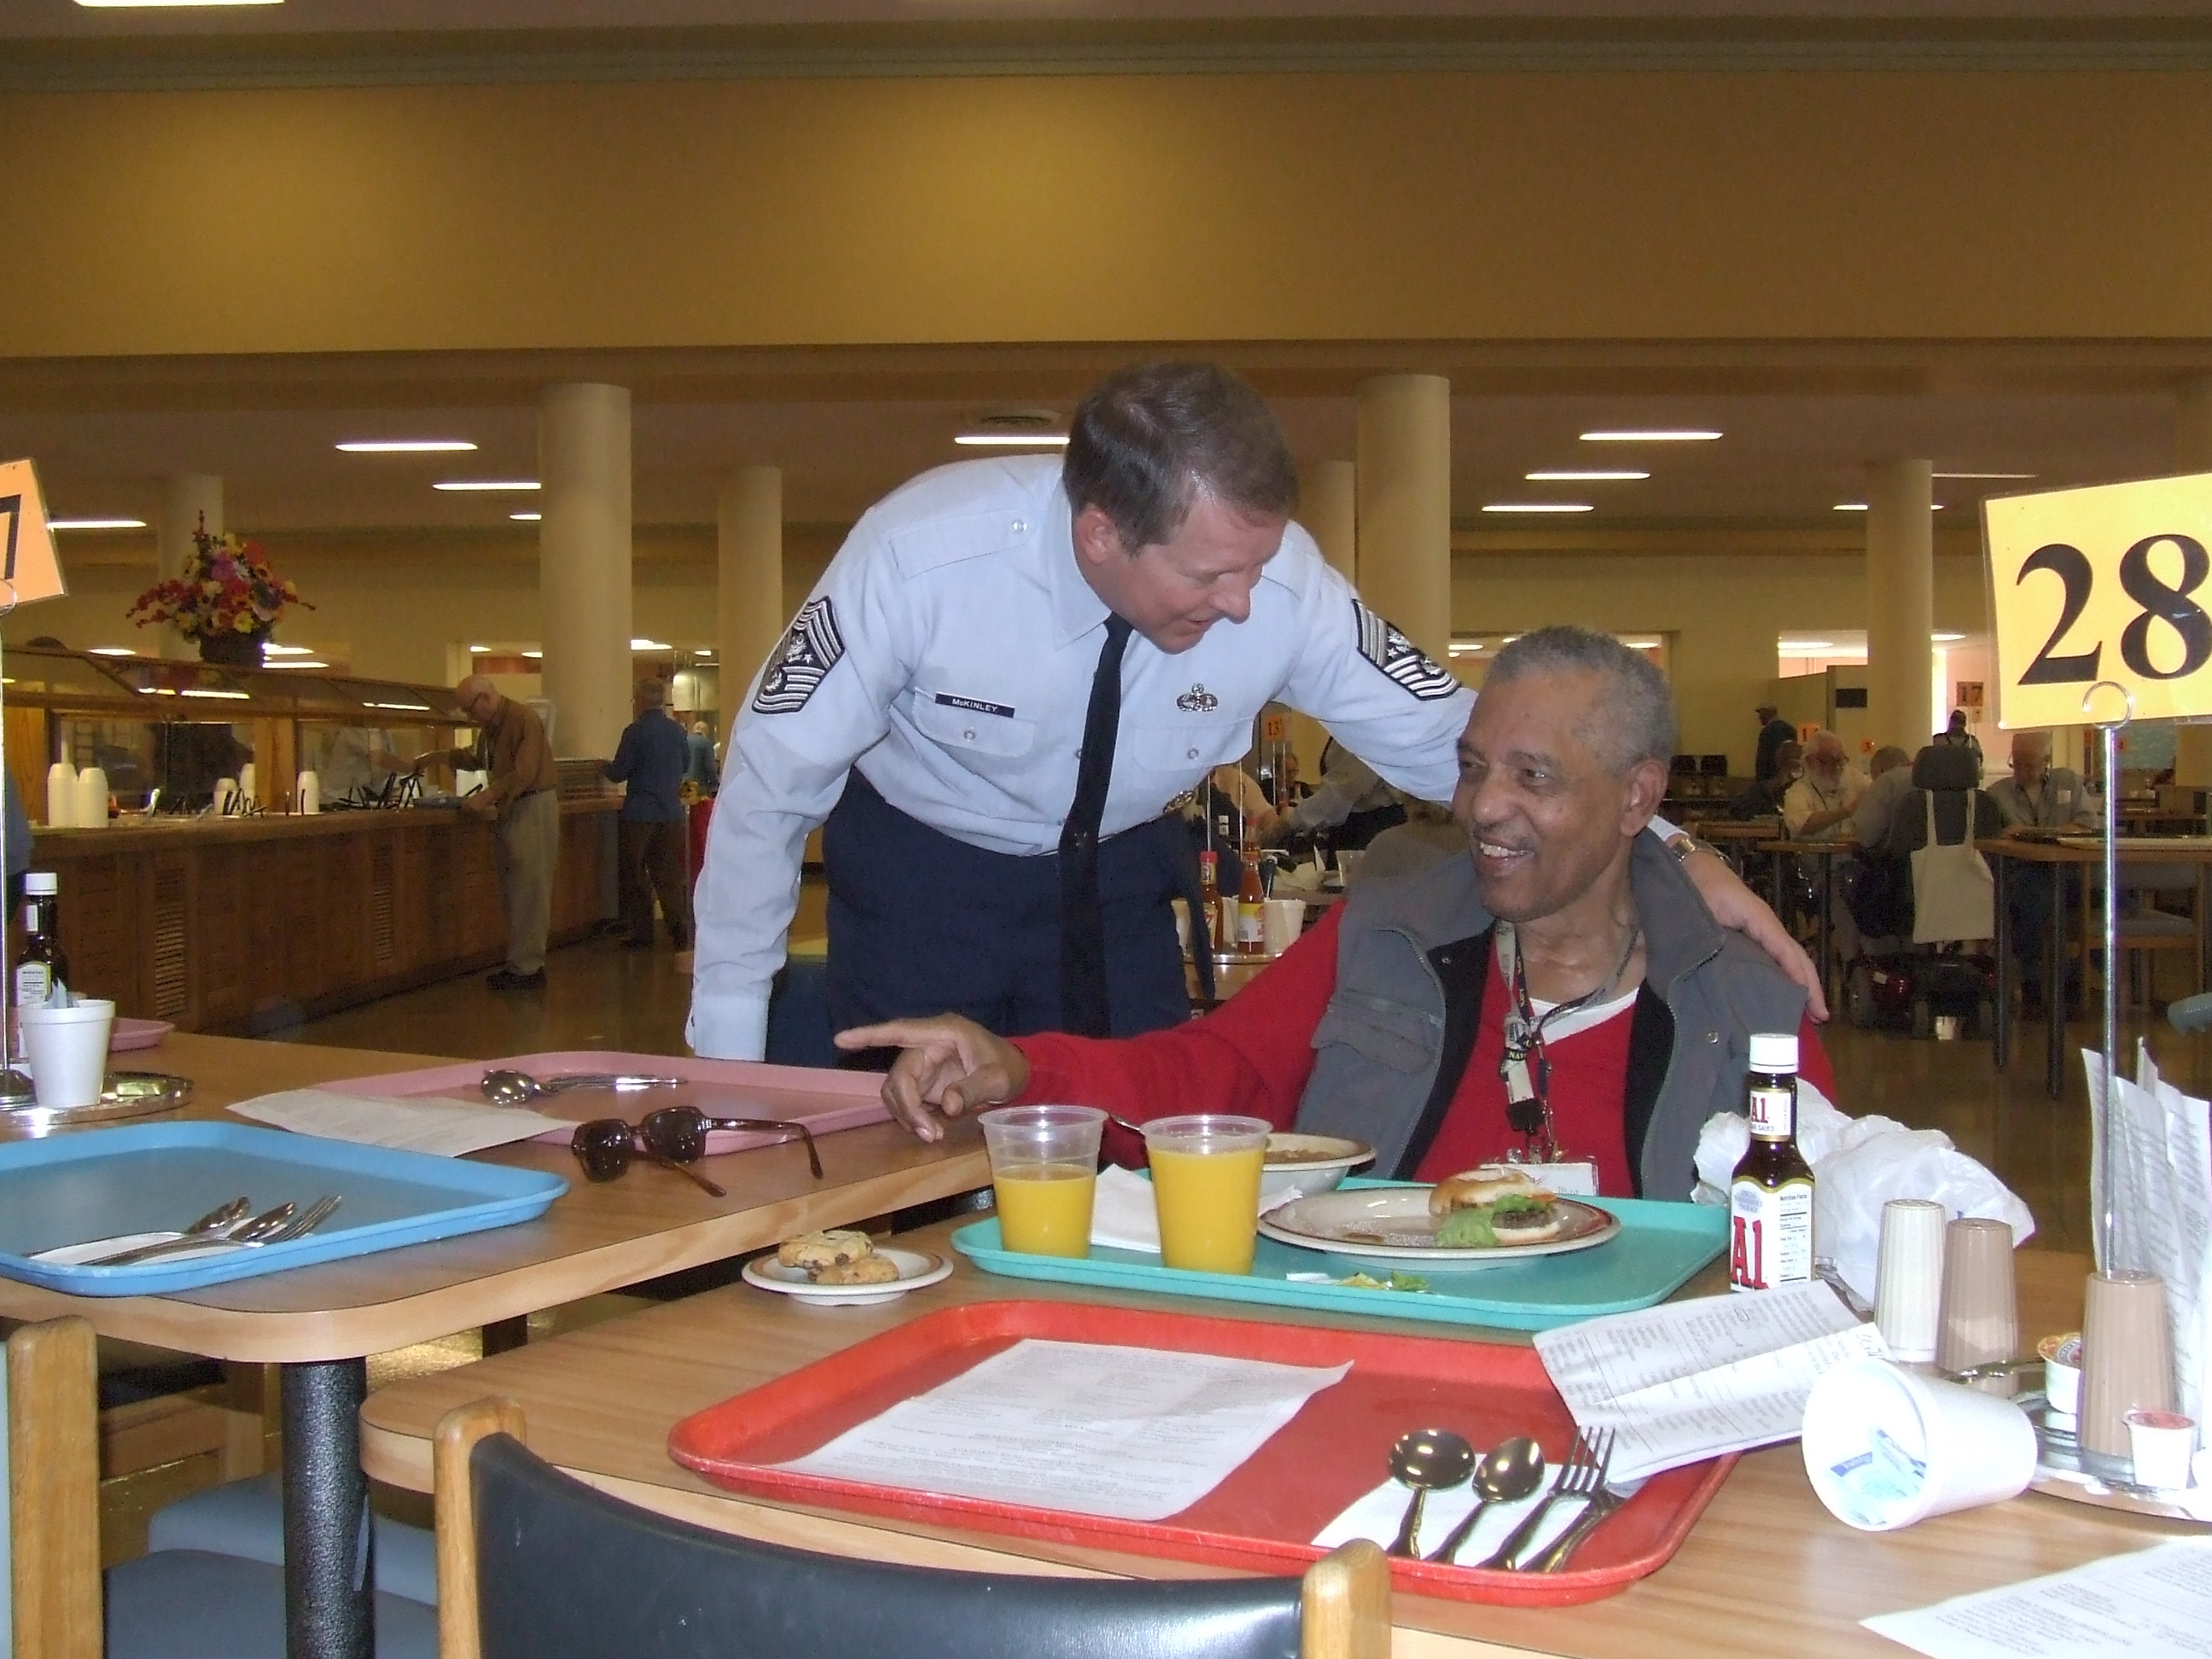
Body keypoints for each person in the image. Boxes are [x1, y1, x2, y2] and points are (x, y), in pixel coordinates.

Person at [689, 361, 1819, 1062]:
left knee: (1140, 1151)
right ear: (1099, 534)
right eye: (1208, 577)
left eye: (1257, 568)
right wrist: (727, 1068)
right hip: (928, 871)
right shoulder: (918, 560)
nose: (1243, 607)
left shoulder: (1284, 588)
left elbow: (1454, 740)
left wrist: (1666, 849)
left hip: (1123, 873)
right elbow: (767, 792)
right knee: (920, 1161)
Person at [842, 627, 1831, 1202]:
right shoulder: (1389, 931)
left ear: (1636, 799)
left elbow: (1838, 1227)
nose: (1486, 806)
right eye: (1475, 767)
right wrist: (1021, 1068)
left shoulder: (1749, 1009)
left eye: (1535, 778)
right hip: (1363, 1350)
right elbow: (1212, 1074)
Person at [414, 675, 559, 990]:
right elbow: (478, 757)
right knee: (514, 889)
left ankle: (528, 968)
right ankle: (520, 963)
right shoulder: (492, 728)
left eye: (470, 709)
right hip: (514, 809)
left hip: (532, 807)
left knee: (529, 888)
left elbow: (524, 772)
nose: (469, 716)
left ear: (485, 699)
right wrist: (437, 758)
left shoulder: (523, 719)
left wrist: (486, 796)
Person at [1988, 730, 2097, 1014]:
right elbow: (1993, 838)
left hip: (2071, 871)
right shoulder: (1998, 795)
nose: (2022, 771)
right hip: (2023, 872)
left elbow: (2087, 825)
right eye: (2017, 762)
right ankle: (2034, 983)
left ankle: (2080, 979)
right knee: (2032, 901)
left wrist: (2031, 832)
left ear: (2046, 760)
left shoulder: (2069, 782)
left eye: (2029, 764)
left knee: (2111, 899)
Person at [604, 678, 693, 950]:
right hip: (671, 812)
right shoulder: (677, 731)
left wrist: (602, 767)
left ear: (641, 700)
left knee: (635, 872)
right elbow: (686, 765)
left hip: (640, 813)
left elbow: (619, 771)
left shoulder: (635, 732)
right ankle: (678, 929)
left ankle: (643, 933)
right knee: (669, 874)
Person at [1269, 736, 1406, 851]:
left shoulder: (1364, 725)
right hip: (1359, 826)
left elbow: (1343, 791)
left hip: (1371, 829)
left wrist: (1292, 819)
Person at [1783, 731, 1864, 842]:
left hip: (1855, 856)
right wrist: (1845, 812)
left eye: (1840, 761)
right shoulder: (1798, 791)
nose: (1838, 768)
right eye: (1831, 761)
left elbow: (1877, 791)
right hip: (1813, 857)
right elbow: (1801, 824)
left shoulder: (1854, 777)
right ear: (1810, 761)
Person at [1846, 745, 1914, 848]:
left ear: (1880, 770)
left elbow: (1865, 834)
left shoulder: (1886, 780)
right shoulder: (1927, 777)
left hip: (1895, 860)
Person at [1728, 739, 1798, 818]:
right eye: (1787, 759)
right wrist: (1776, 785)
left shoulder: (1808, 788)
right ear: (1778, 761)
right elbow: (1736, 809)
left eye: (1796, 759)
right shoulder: (1763, 790)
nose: (1792, 764)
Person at [1933, 708, 1984, 774]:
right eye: (1956, 722)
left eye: (1960, 722)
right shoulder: (1939, 740)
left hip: (1964, 778)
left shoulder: (1938, 740)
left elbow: (1978, 763)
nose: (1958, 726)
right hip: (1945, 777)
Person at [1755, 703, 1796, 783]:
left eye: (1761, 714)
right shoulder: (1790, 729)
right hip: (1789, 778)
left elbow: (1763, 759)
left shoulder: (1767, 732)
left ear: (1768, 713)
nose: (1759, 717)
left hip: (1770, 780)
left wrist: (1760, 782)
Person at [685, 720, 720, 795]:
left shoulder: (686, 741)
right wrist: (714, 784)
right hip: (700, 785)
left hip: (685, 783)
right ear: (705, 731)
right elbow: (710, 766)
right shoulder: (706, 743)